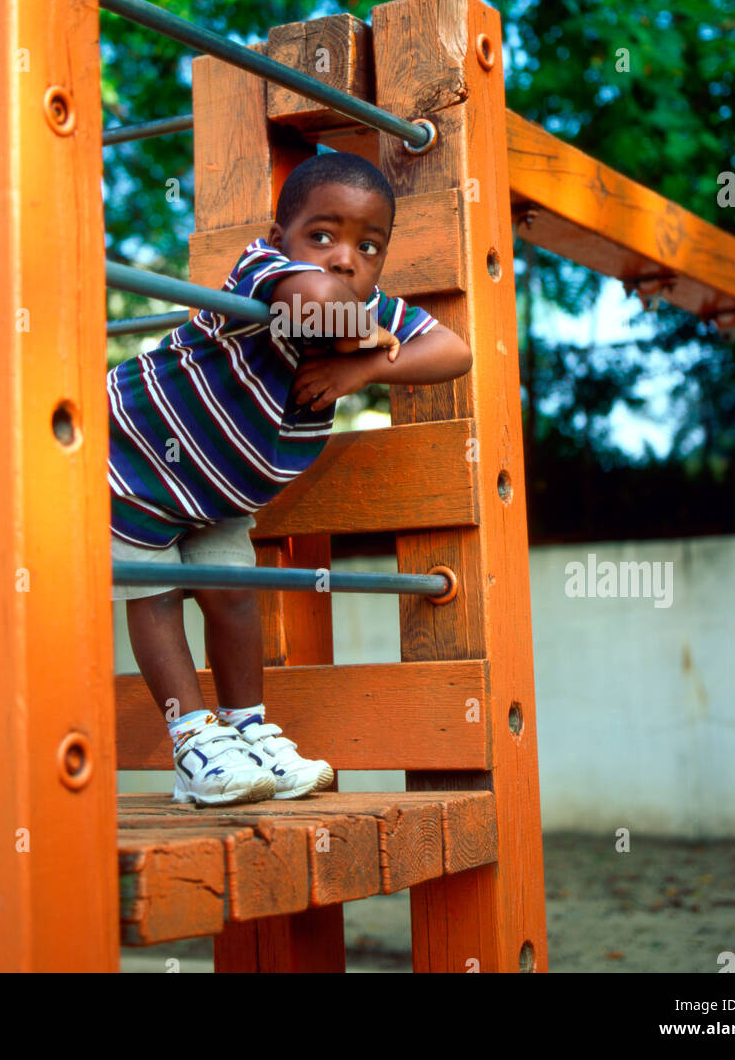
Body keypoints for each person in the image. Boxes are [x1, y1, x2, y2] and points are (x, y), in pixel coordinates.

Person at [108, 151, 473, 806]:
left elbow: (455, 350)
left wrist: (368, 370)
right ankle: (193, 742)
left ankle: (248, 732)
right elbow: (316, 303)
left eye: (369, 247)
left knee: (236, 595)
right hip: (133, 456)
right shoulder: (266, 269)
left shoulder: (364, 309)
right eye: (323, 235)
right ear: (282, 238)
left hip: (216, 497)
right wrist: (368, 333)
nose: (344, 259)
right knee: (155, 596)